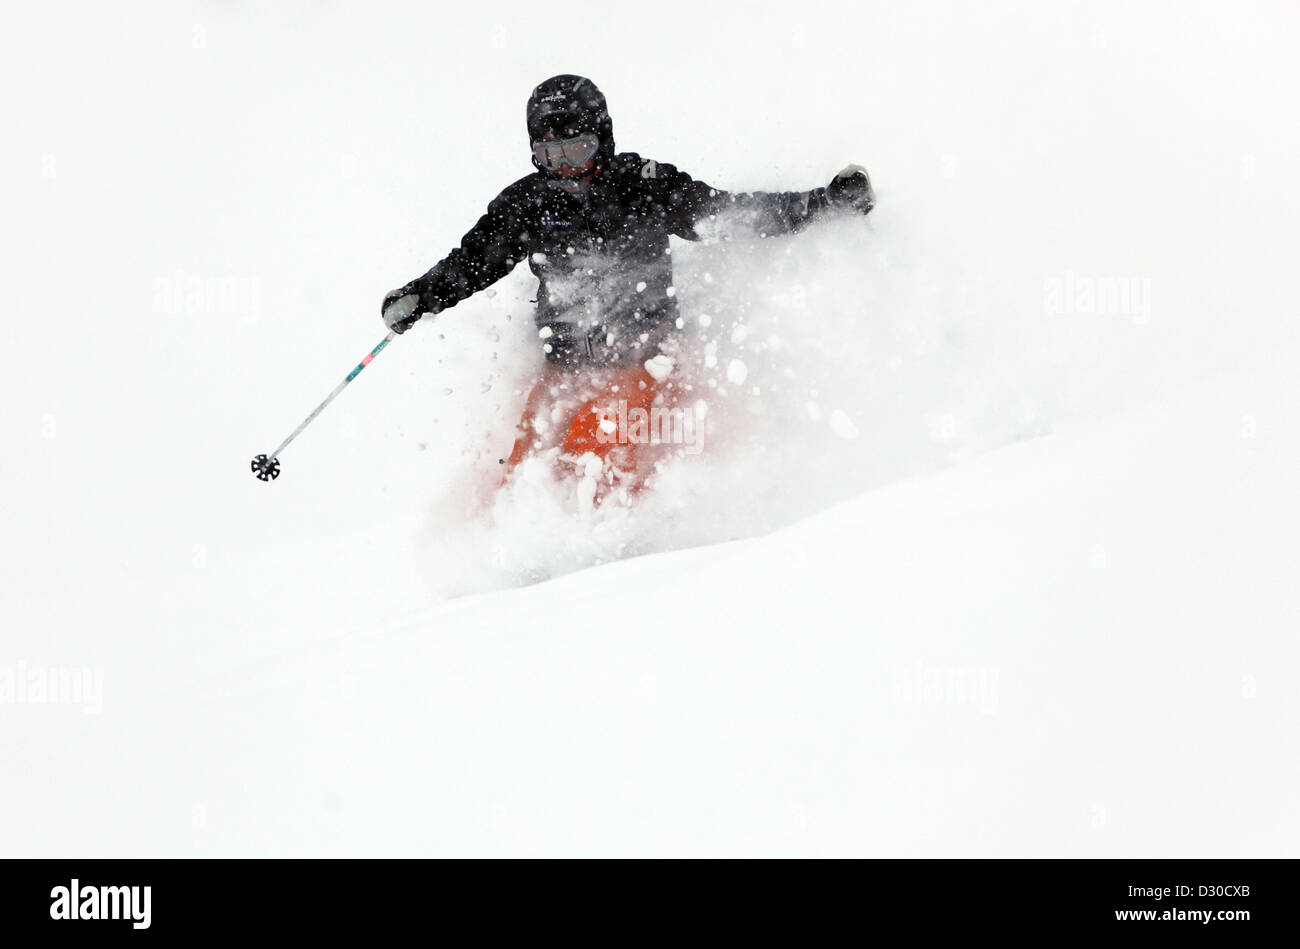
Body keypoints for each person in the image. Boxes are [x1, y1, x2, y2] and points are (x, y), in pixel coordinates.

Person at [382, 74, 875, 502]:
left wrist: (824, 203)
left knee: (593, 447)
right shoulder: (526, 204)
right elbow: (472, 263)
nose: (566, 168)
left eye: (578, 150)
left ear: (604, 139)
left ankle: (608, 565)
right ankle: (505, 570)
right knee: (524, 458)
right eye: (549, 154)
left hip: (643, 361)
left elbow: (730, 216)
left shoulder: (643, 186)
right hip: (565, 366)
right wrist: (422, 297)